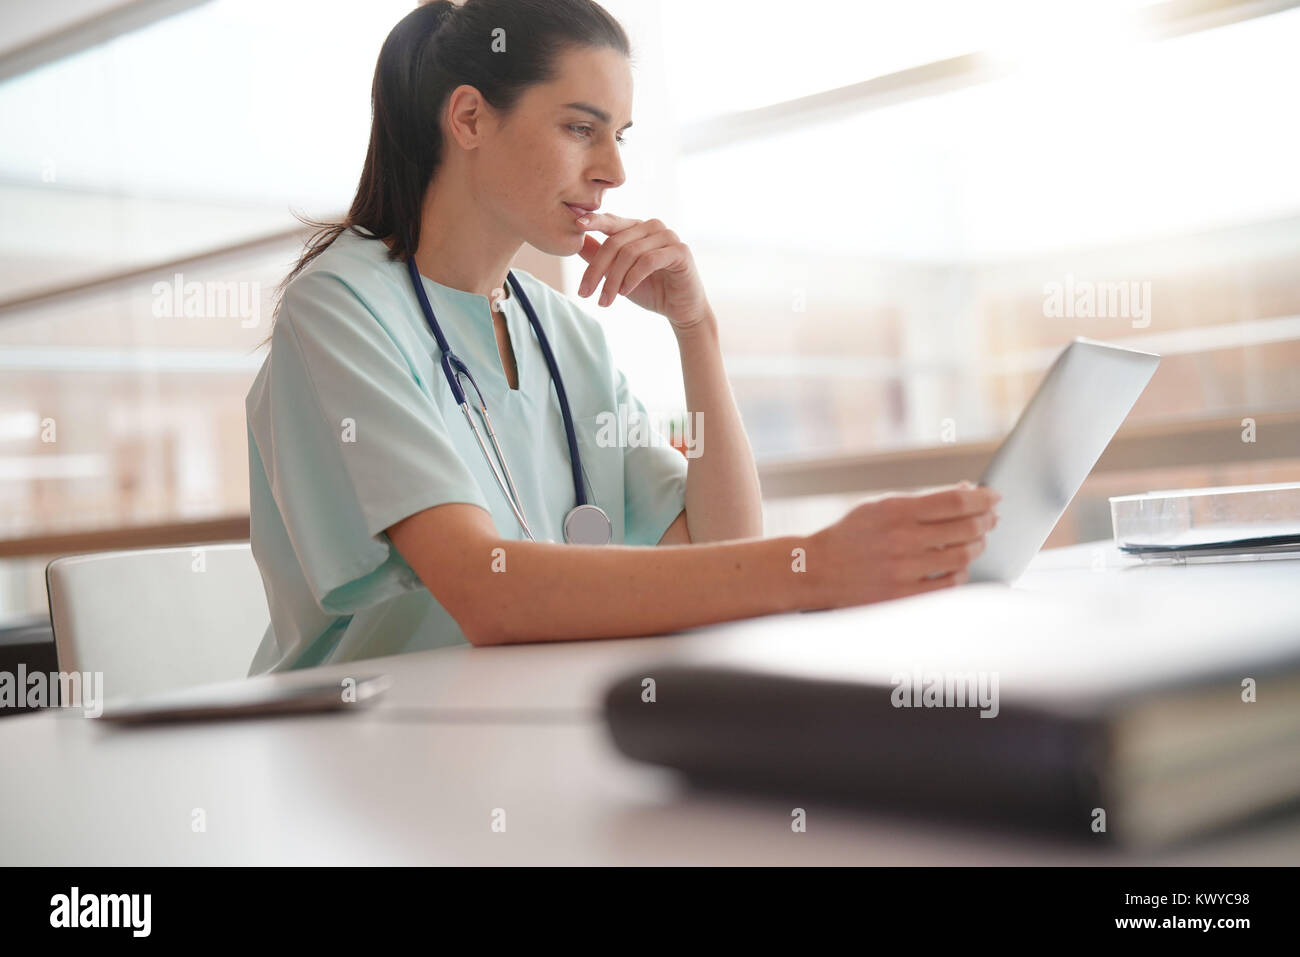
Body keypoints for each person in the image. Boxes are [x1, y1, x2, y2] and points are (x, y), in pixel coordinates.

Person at [244, 0, 1000, 674]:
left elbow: (716, 549)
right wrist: (818, 567)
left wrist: (695, 329)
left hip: (520, 716)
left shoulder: (563, 329)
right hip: (362, 745)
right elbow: (487, 592)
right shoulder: (339, 305)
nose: (611, 171)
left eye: (620, 137)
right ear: (469, 118)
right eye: (581, 129)